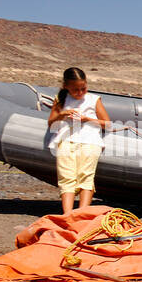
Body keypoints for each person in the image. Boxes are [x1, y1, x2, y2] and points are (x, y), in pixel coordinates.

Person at [46, 67, 111, 214]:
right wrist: (62, 114)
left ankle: (82, 213)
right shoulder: (61, 99)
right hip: (66, 140)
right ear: (66, 86)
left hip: (90, 141)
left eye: (83, 88)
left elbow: (107, 123)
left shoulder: (94, 99)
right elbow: (51, 123)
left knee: (86, 176)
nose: (80, 93)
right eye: (76, 90)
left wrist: (87, 119)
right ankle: (68, 214)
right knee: (66, 177)